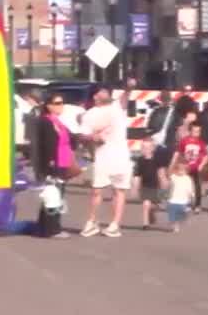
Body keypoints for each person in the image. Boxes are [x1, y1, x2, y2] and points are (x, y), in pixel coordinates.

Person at [79, 85, 133, 238]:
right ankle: (92, 222)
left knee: (119, 190)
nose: (106, 93)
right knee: (97, 190)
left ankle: (114, 225)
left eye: (107, 90)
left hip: (121, 156)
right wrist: (92, 138)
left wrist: (129, 87)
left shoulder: (117, 106)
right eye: (102, 91)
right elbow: (83, 136)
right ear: (95, 96)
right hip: (102, 156)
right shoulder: (89, 115)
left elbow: (125, 96)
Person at [35, 92, 77, 239]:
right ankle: (52, 229)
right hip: (53, 164)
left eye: (62, 103)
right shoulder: (46, 121)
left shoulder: (58, 122)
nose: (61, 106)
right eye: (57, 103)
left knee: (55, 195)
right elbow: (45, 145)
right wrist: (49, 163)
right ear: (49, 106)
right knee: (53, 196)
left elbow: (71, 139)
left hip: (63, 162)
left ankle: (44, 227)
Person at [133, 137, 170, 229]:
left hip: (156, 186)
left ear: (152, 148)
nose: (145, 150)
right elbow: (137, 175)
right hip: (145, 187)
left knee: (154, 206)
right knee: (146, 204)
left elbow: (161, 173)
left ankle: (153, 210)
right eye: (143, 148)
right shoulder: (140, 160)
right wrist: (135, 186)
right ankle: (145, 224)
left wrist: (164, 184)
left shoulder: (157, 159)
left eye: (147, 148)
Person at [176, 123, 206, 214]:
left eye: (199, 131)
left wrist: (202, 165)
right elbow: (180, 153)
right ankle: (186, 204)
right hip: (186, 167)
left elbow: (205, 155)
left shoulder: (201, 142)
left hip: (196, 166)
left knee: (197, 186)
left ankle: (197, 205)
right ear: (190, 131)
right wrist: (179, 165)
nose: (197, 133)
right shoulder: (184, 141)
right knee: (185, 185)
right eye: (195, 131)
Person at [165, 157, 195, 234]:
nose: (181, 171)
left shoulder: (187, 178)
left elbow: (190, 188)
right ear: (176, 170)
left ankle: (185, 215)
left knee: (182, 212)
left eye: (183, 170)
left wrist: (191, 195)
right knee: (172, 216)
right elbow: (168, 176)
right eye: (179, 169)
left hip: (183, 200)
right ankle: (175, 226)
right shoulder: (173, 177)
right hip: (172, 200)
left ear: (186, 171)